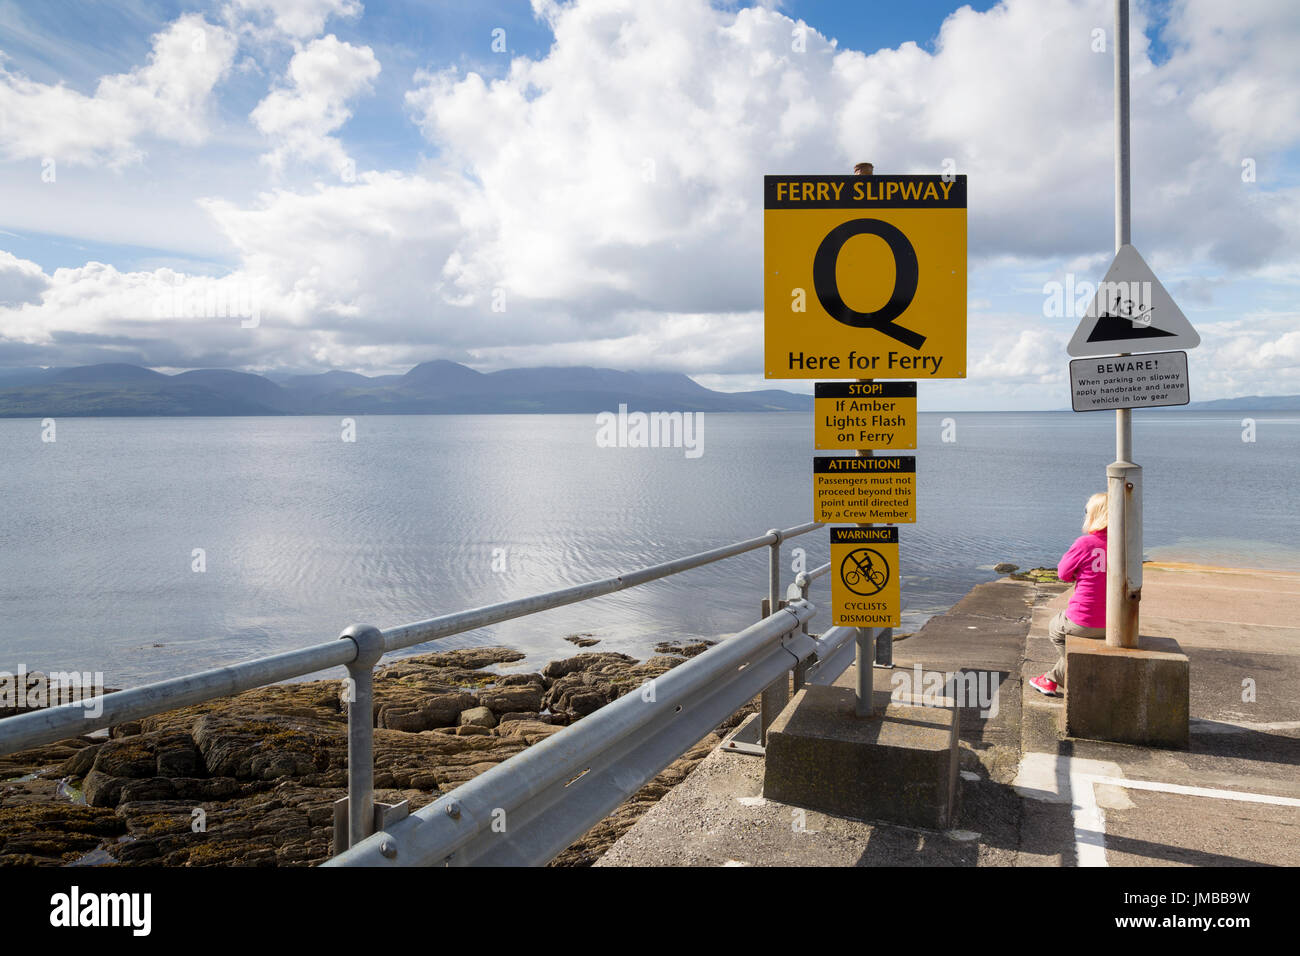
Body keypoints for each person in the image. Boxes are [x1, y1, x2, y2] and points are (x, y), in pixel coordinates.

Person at [1029, 492, 1109, 697]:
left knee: (1055, 628)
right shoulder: (1126, 547)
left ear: (1094, 515)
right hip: (1116, 623)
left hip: (1083, 620)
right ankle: (1052, 678)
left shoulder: (1085, 543)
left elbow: (1063, 574)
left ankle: (1058, 676)